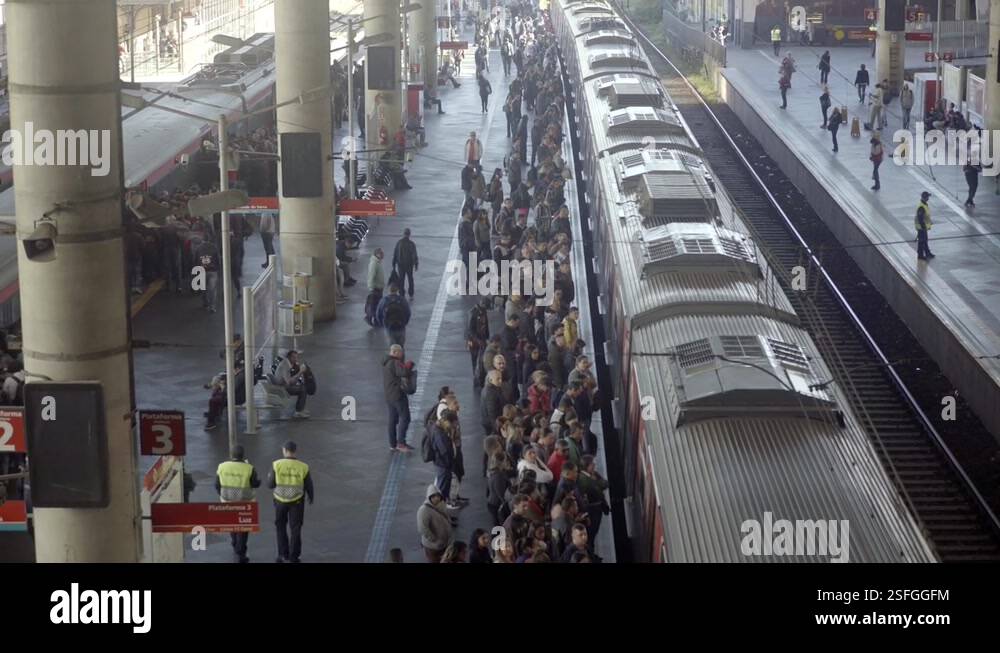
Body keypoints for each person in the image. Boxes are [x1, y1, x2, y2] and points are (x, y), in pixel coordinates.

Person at [267, 440, 313, 563]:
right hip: (297, 501)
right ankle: (294, 556)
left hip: (280, 501)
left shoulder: (276, 464)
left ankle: (283, 554)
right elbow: (309, 484)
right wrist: (311, 496)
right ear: (295, 451)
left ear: (285, 451)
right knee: (296, 529)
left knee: (280, 527)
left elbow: (270, 485)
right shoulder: (303, 466)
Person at [215, 444, 260, 563]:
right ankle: (241, 552)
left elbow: (217, 485)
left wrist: (222, 494)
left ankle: (235, 542)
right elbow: (255, 483)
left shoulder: (222, 466)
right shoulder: (249, 468)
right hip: (245, 502)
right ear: (243, 455)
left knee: (232, 523)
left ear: (231, 455)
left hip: (227, 500)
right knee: (243, 527)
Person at [383, 344, 415, 451]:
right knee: (405, 418)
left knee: (392, 420)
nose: (402, 355)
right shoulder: (394, 362)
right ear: (395, 352)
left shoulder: (386, 362)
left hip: (389, 395)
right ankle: (401, 443)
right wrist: (409, 365)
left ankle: (393, 444)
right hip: (398, 395)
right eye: (401, 353)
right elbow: (404, 372)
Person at [417, 483, 453, 563]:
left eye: (438, 495)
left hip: (444, 544)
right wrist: (434, 539)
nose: (436, 498)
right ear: (429, 497)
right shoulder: (424, 510)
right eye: (433, 496)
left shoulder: (442, 504)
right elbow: (423, 528)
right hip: (433, 546)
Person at [274, 350, 310, 418]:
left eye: (296, 357)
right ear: (289, 357)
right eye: (294, 358)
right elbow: (289, 383)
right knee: (303, 389)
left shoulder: (286, 363)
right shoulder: (285, 365)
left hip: (282, 385)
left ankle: (300, 409)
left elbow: (290, 381)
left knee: (301, 386)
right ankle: (299, 412)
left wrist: (298, 376)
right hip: (282, 388)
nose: (296, 359)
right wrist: (300, 372)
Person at [193, 236, 220, 313]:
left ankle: (205, 303)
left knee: (203, 289)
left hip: (201, 270)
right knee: (212, 290)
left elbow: (195, 260)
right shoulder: (214, 247)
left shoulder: (198, 248)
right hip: (213, 271)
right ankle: (212, 307)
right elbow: (217, 259)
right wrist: (218, 269)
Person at [391, 228, 419, 298]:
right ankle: (411, 293)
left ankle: (401, 293)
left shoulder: (399, 243)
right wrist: (416, 264)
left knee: (401, 279)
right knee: (410, 279)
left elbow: (395, 254)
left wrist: (394, 264)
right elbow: (414, 255)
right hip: (409, 265)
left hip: (400, 265)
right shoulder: (411, 244)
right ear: (409, 234)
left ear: (403, 234)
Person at [915, 191, 934, 261]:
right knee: (922, 241)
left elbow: (925, 216)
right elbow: (920, 218)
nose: (928, 198)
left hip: (924, 227)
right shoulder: (921, 207)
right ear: (925, 197)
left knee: (925, 240)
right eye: (928, 197)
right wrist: (923, 226)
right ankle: (920, 255)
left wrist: (929, 222)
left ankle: (927, 253)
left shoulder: (924, 205)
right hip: (921, 227)